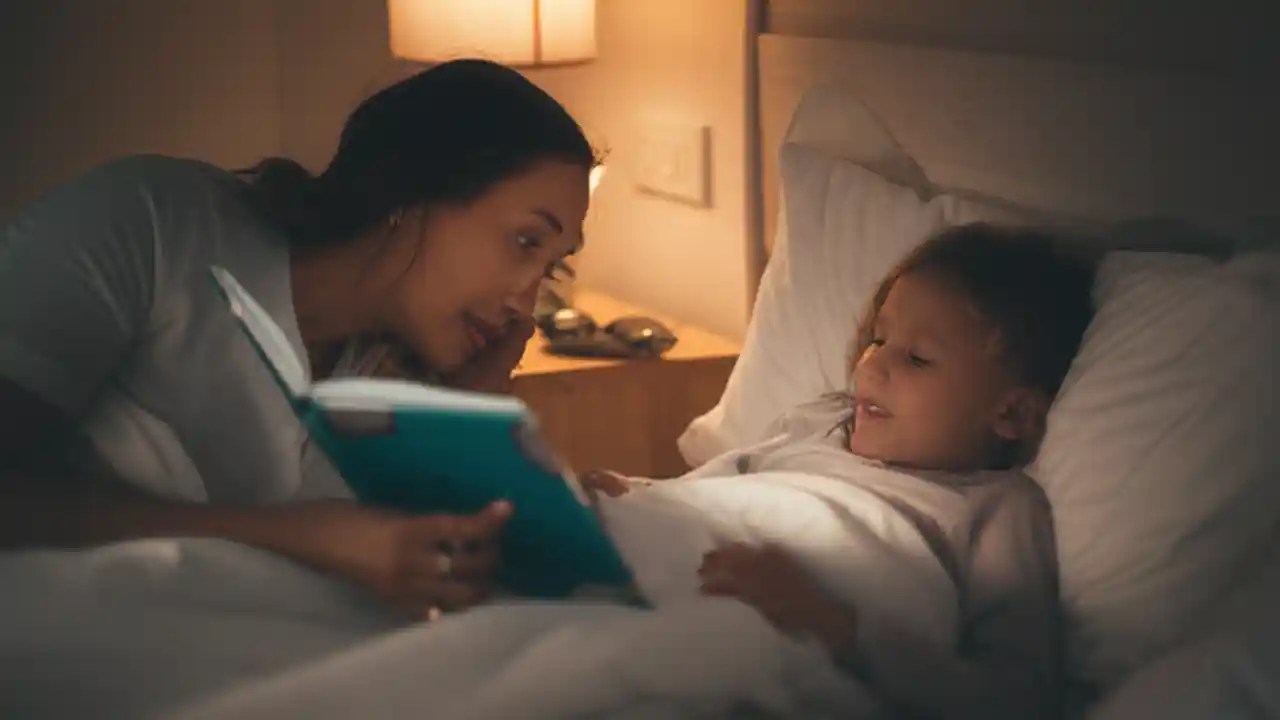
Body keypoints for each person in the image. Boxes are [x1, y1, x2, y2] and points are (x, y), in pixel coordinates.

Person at [0, 59, 595, 621]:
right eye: (524, 243)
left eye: (550, 267)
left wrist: (476, 430)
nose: (526, 299)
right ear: (414, 196)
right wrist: (298, 535)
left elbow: (409, 559)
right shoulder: (148, 226)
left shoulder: (391, 372)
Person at [587, 223, 1095, 719]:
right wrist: (633, 492)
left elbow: (1016, 696)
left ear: (1011, 414)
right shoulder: (820, 421)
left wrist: (831, 624)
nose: (869, 368)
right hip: (678, 562)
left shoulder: (995, 507)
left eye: (917, 358)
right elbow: (717, 486)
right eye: (877, 340)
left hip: (779, 638)